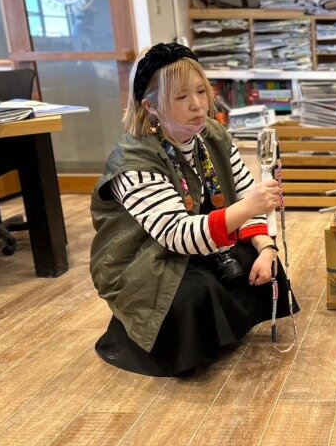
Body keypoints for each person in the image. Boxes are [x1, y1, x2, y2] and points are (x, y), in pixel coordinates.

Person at [90, 42, 298, 377]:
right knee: (191, 294)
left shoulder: (212, 134)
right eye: (181, 96)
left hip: (193, 248)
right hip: (144, 262)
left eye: (201, 91)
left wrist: (266, 247)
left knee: (253, 260)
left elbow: (244, 190)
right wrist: (249, 206)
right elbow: (176, 235)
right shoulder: (132, 160)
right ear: (150, 105)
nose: (198, 105)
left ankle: (218, 332)